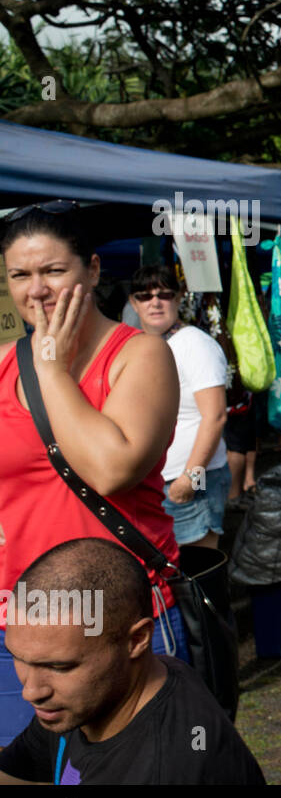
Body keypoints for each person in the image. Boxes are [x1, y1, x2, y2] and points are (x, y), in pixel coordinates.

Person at [0, 202, 187, 747]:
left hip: (124, 624)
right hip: (25, 623)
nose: (37, 290)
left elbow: (111, 469)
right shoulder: (3, 366)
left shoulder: (140, 356)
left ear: (94, 271)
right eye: (20, 275)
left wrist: (52, 367)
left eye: (54, 271)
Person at [0, 538, 263, 784]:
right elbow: (17, 769)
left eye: (59, 667)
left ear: (137, 640)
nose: (31, 691)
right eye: (20, 658)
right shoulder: (85, 699)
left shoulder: (163, 768)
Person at [129, 264, 230, 548]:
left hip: (193, 480)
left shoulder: (194, 344)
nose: (155, 302)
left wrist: (190, 477)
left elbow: (216, 416)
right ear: (133, 303)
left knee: (197, 575)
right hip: (157, 480)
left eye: (164, 294)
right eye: (145, 296)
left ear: (178, 298)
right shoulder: (144, 345)